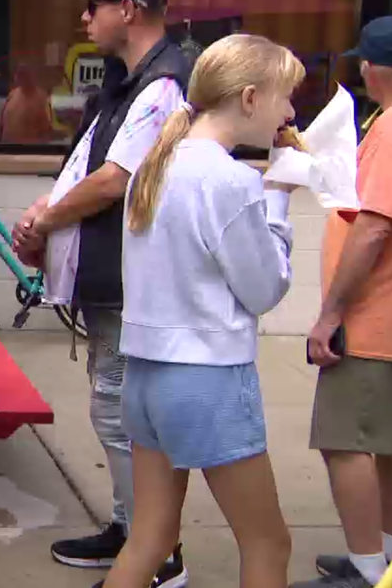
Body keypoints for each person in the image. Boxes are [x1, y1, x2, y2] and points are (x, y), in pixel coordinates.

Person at [11, 0, 194, 584]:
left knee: (123, 415)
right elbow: (88, 168)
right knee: (115, 409)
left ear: (130, 10)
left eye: (96, 4)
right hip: (112, 279)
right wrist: (45, 214)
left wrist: (44, 221)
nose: (85, 16)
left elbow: (116, 180)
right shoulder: (127, 82)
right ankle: (129, 528)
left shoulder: (162, 88)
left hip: (130, 281)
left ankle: (155, 552)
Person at [105, 33, 304, 588]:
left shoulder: (151, 168)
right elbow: (265, 288)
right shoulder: (232, 180)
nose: (290, 114)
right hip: (208, 379)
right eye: (285, 97)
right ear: (249, 98)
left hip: (144, 376)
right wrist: (279, 196)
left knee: (148, 540)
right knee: (268, 543)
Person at [295, 15, 392, 588]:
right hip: (387, 319)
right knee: (386, 444)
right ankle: (387, 560)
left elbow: (375, 227)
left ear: (375, 68)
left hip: (371, 318)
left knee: (344, 441)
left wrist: (331, 313)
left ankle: (366, 570)